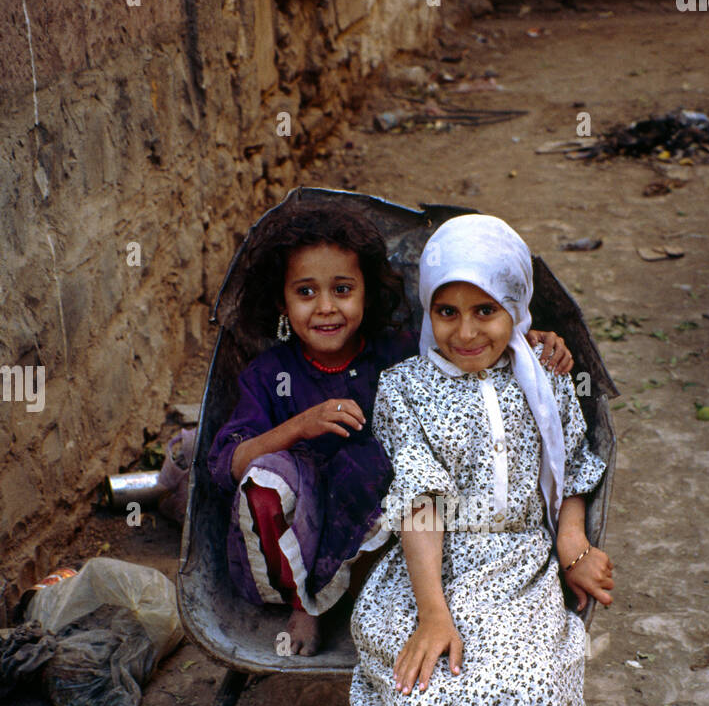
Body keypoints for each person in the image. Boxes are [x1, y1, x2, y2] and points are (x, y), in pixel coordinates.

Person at [326, 212, 614, 706]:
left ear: (516, 308)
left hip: (519, 563)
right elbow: (419, 503)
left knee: (520, 682)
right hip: (433, 568)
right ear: (428, 310)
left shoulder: (543, 377)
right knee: (423, 690)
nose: (465, 331)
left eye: (486, 310)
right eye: (447, 311)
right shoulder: (406, 389)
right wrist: (432, 612)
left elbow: (570, 468)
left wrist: (573, 546)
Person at [207, 200, 574, 656]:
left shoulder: (397, 355)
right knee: (266, 478)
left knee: (387, 468)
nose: (325, 308)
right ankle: (307, 602)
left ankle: (377, 591)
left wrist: (523, 341)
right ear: (281, 300)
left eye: (342, 289)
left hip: (381, 527)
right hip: (302, 524)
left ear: (368, 292)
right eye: (305, 293)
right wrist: (300, 426)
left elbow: (468, 355)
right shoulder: (269, 374)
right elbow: (227, 463)